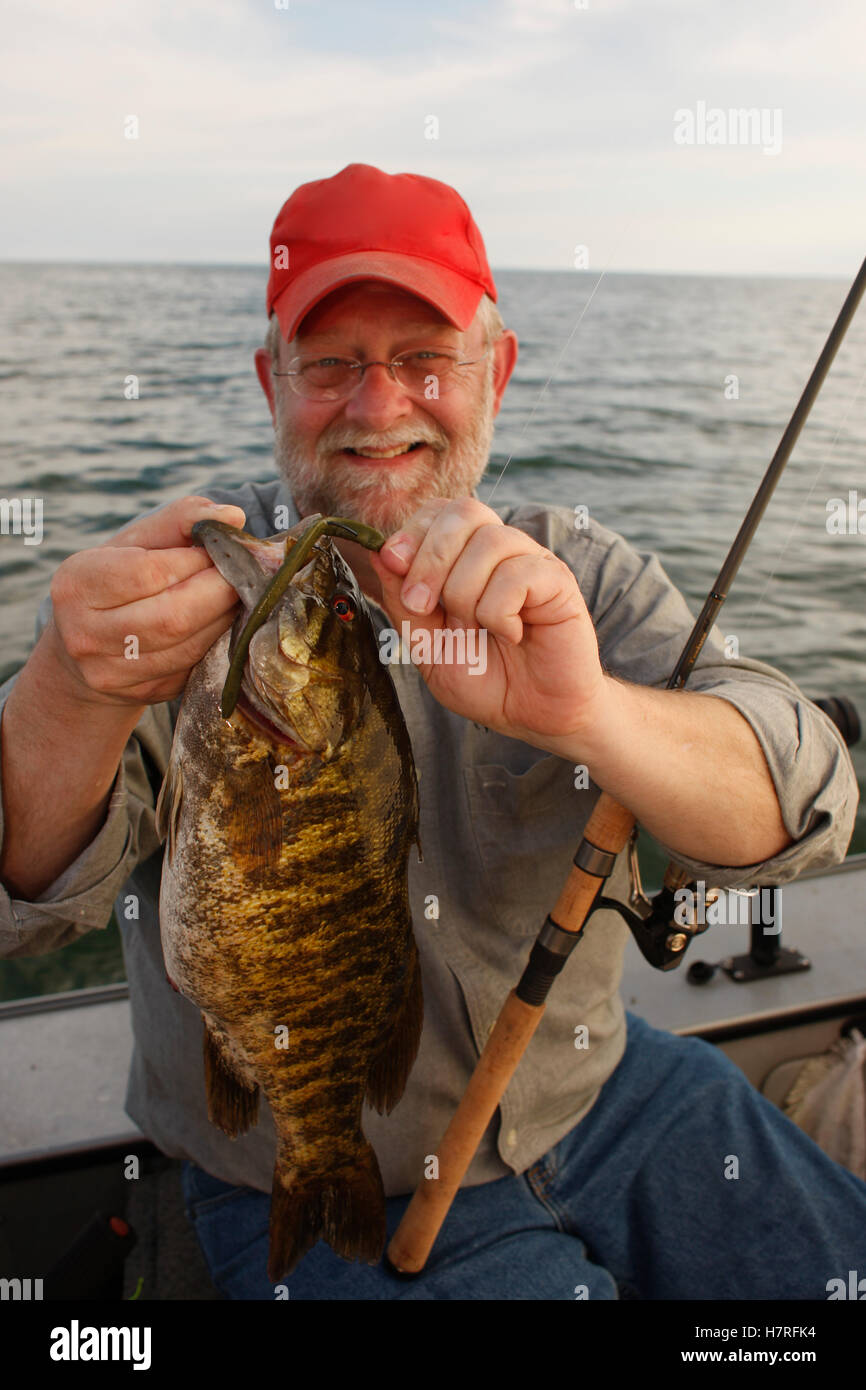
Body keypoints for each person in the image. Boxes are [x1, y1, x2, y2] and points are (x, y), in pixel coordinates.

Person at [1, 163, 864, 1302]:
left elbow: (803, 809)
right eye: (331, 364)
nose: (376, 406)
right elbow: (28, 907)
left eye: (423, 359)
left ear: (493, 373)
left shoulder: (580, 573)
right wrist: (68, 692)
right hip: (275, 1154)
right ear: (273, 381)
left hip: (603, 1089)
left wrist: (586, 712)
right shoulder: (182, 597)